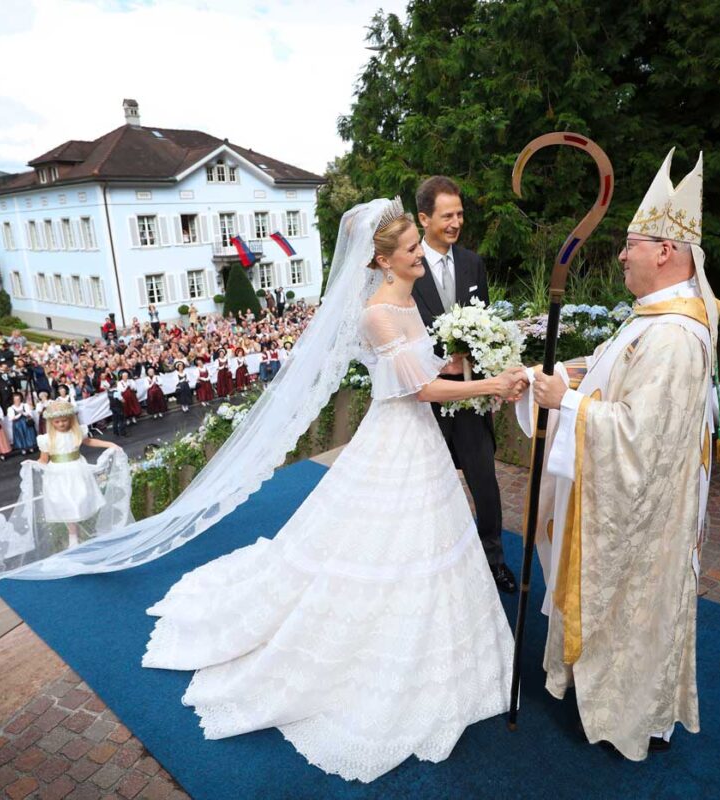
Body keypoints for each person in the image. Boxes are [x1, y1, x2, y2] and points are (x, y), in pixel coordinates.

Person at [141, 199, 524, 782]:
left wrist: (475, 359)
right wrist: (489, 384)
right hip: (398, 432)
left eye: (418, 250)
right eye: (412, 251)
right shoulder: (376, 314)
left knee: (428, 541)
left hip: (418, 437)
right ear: (383, 259)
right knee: (382, 543)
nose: (421, 254)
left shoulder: (406, 299)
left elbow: (429, 368)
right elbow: (416, 391)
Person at [518, 150, 720, 760]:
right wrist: (566, 374)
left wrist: (570, 404)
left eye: (631, 243)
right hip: (635, 510)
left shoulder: (674, 335)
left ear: (666, 250)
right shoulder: (652, 320)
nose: (622, 254)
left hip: (645, 519)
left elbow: (644, 440)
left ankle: (632, 710)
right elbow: (618, 373)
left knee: (637, 609)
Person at [407, 176, 516, 593]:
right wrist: (438, 361)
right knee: (428, 489)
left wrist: (488, 374)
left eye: (460, 214)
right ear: (424, 218)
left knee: (485, 485)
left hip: (471, 397)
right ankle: (434, 565)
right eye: (447, 215)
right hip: (426, 399)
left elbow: (484, 325)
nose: (456, 222)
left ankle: (494, 560)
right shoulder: (407, 266)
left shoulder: (474, 264)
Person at [34, 400, 124, 547]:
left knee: (81, 499)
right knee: (67, 503)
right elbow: (43, 459)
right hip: (58, 473)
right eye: (57, 422)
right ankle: (73, 535)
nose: (62, 424)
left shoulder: (77, 432)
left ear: (70, 419)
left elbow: (89, 441)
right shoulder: (46, 439)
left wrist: (109, 444)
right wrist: (33, 465)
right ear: (51, 422)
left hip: (77, 469)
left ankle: (91, 528)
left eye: (64, 421)